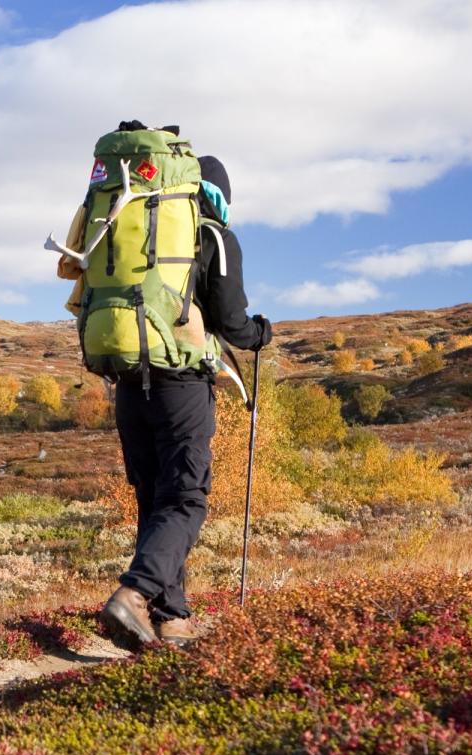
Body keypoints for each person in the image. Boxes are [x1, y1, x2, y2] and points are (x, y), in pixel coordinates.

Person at [96, 155, 270, 649]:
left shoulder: (140, 233)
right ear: (220, 196)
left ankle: (171, 619)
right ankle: (133, 595)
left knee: (155, 500)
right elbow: (234, 323)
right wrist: (260, 333)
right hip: (182, 383)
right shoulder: (212, 235)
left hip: (131, 381)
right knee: (186, 499)